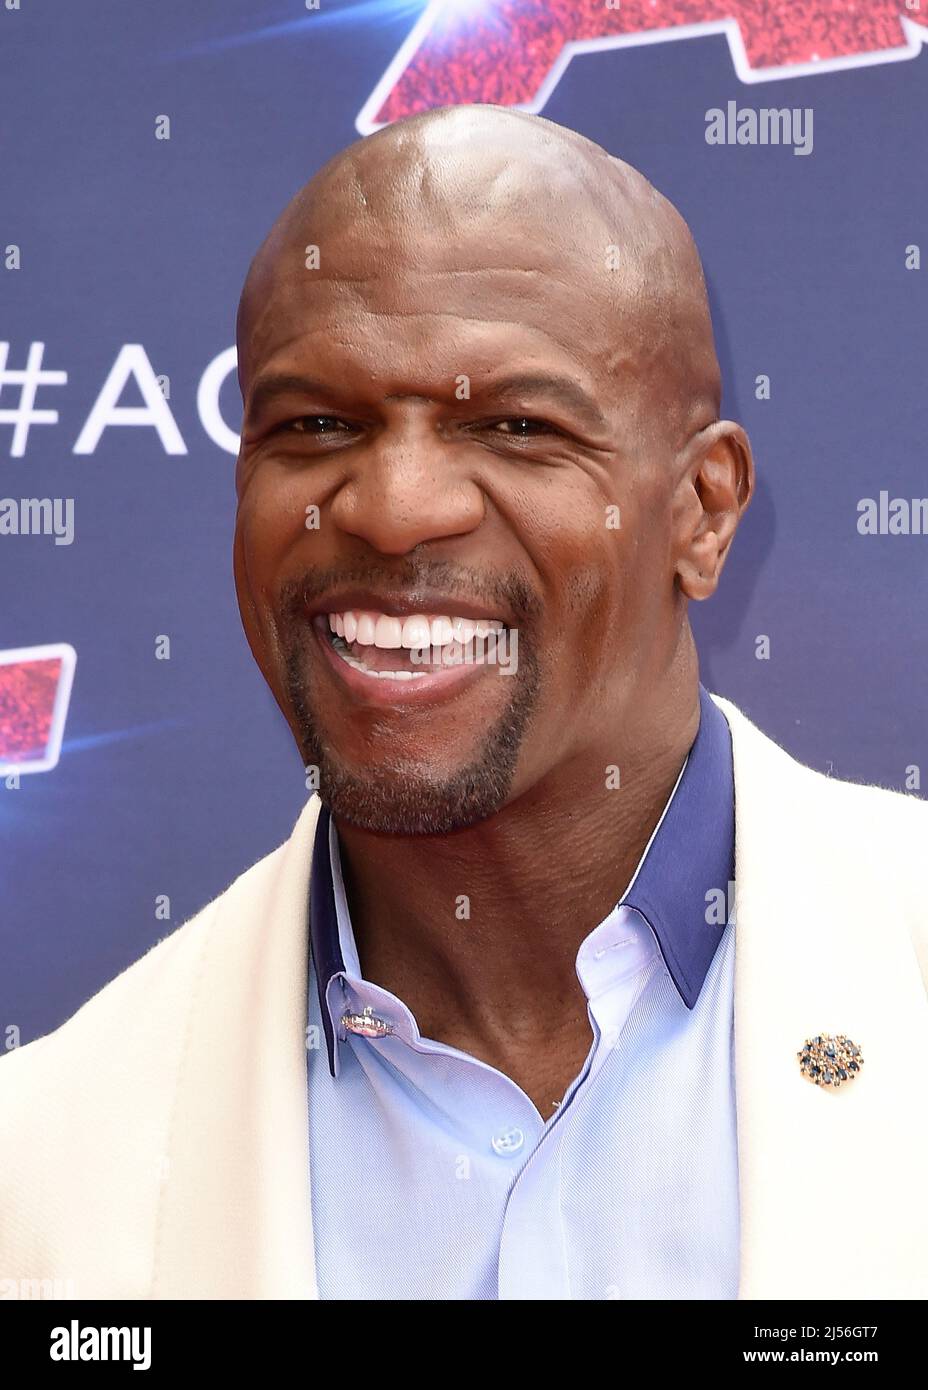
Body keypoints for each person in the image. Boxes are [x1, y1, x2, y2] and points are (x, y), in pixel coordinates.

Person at [1, 106, 925, 1301]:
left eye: (515, 427)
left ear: (701, 512)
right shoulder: (45, 1169)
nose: (393, 508)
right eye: (317, 423)